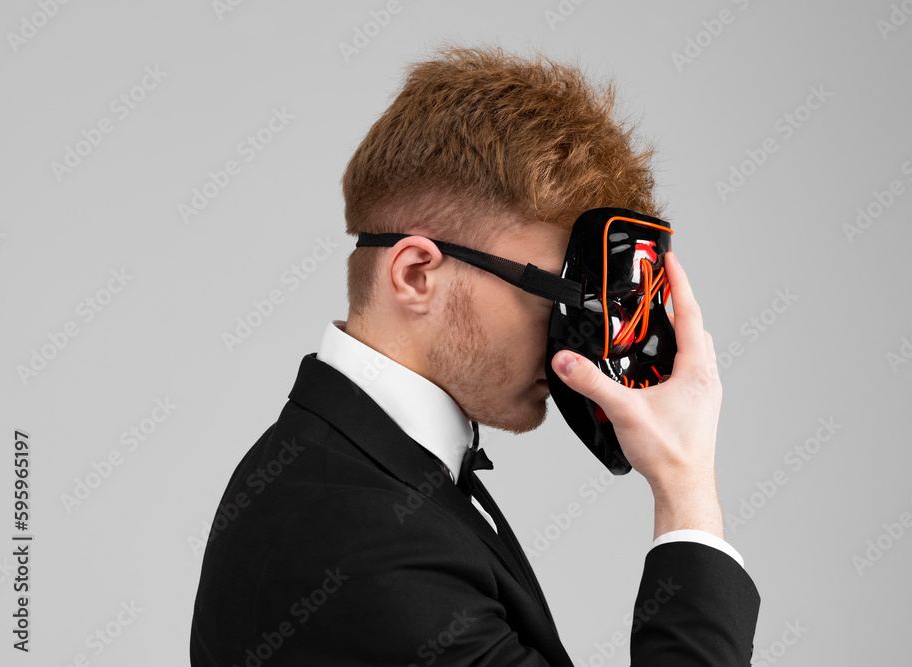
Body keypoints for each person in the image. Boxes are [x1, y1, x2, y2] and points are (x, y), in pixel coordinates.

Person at [190, 44, 760, 665]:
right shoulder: (356, 540)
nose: (586, 350)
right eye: (562, 295)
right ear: (415, 275)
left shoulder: (372, 469)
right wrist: (684, 488)